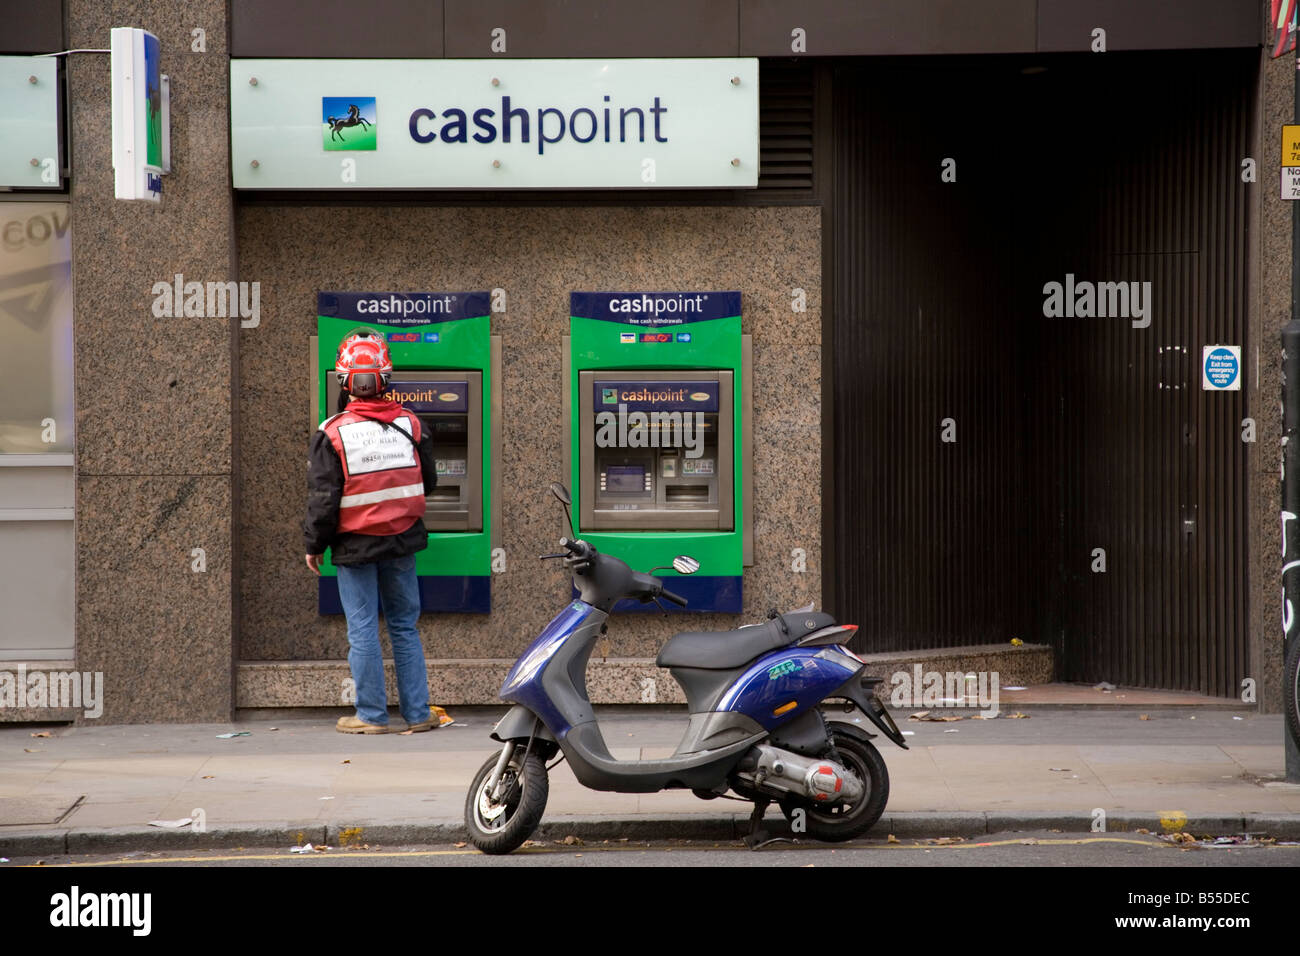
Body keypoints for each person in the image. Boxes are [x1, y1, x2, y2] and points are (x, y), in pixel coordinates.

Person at [303, 328, 448, 734]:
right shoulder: (411, 424)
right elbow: (429, 482)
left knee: (363, 628)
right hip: (401, 540)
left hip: (354, 546)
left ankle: (371, 715)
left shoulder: (332, 433)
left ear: (345, 381)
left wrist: (314, 544)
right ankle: (418, 713)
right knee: (404, 625)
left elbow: (324, 500)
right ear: (385, 379)